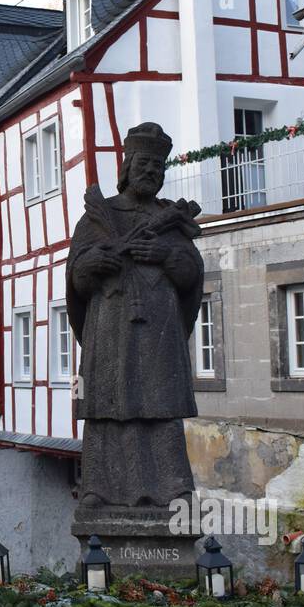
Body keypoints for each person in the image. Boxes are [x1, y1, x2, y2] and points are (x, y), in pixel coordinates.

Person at [66, 121, 204, 508]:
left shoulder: (172, 221)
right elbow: (76, 278)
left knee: (160, 403)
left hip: (159, 326)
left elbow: (192, 273)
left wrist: (167, 256)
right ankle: (99, 486)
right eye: (143, 165)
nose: (151, 173)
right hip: (109, 324)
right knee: (107, 404)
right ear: (126, 166)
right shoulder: (98, 217)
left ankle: (173, 486)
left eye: (158, 168)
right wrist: (94, 262)